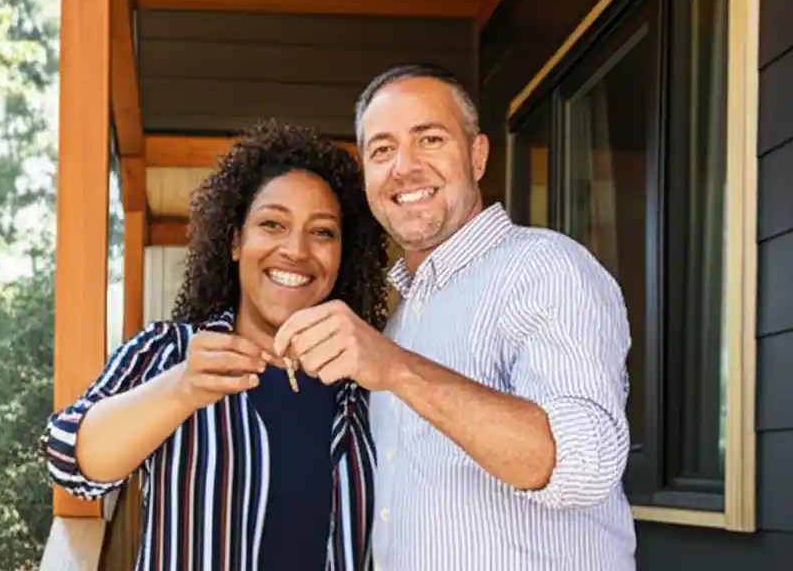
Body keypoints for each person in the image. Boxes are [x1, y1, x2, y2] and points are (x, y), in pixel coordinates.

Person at [273, 64, 637, 570]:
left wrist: (397, 369)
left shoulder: (546, 267)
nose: (403, 168)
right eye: (382, 150)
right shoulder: (401, 320)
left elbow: (583, 465)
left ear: (478, 155)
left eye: (429, 139)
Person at [41, 120, 389, 571]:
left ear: (344, 255)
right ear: (235, 242)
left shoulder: (366, 389)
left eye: (322, 232)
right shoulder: (168, 352)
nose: (296, 250)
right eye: (272, 224)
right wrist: (180, 390)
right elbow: (70, 465)